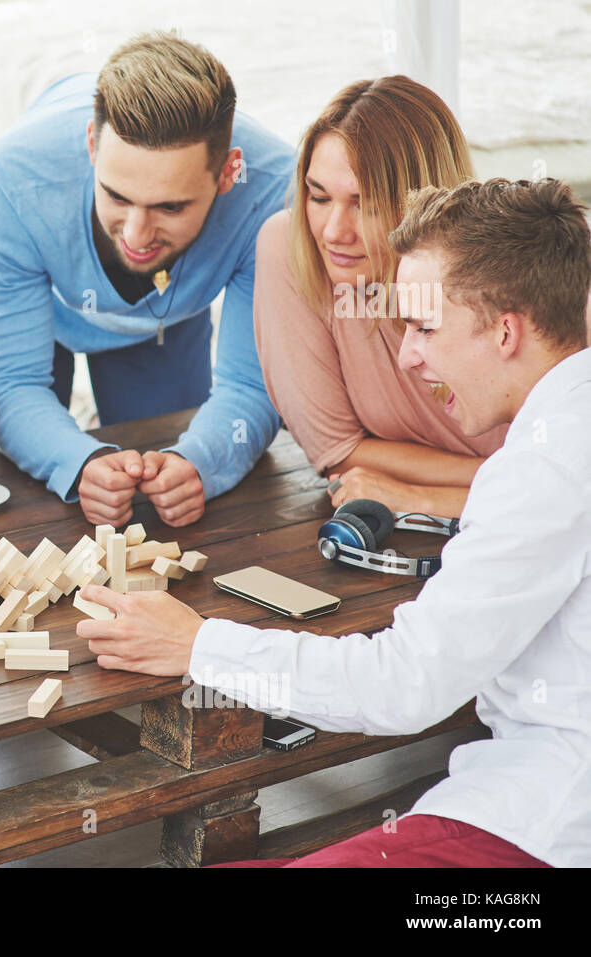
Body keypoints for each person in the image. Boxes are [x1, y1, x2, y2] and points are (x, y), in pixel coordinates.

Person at [75, 178, 591, 867]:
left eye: (426, 327)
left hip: (539, 829)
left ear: (505, 330)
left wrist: (197, 644)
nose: (409, 354)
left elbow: (405, 685)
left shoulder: (546, 464)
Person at [0, 30, 294, 530]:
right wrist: (82, 463)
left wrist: (199, 461)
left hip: (170, 314)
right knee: (33, 489)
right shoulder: (7, 180)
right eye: (117, 197)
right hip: (44, 307)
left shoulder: (274, 193)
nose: (137, 235)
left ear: (229, 174)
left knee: (162, 479)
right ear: (92, 146)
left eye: (170, 206)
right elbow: (10, 383)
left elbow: (252, 382)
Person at [255, 75, 504, 518]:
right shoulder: (291, 251)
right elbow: (338, 453)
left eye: (366, 204)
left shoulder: (511, 277)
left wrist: (427, 495)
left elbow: (566, 481)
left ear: (425, 201)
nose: (333, 232)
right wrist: (502, 474)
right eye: (318, 196)